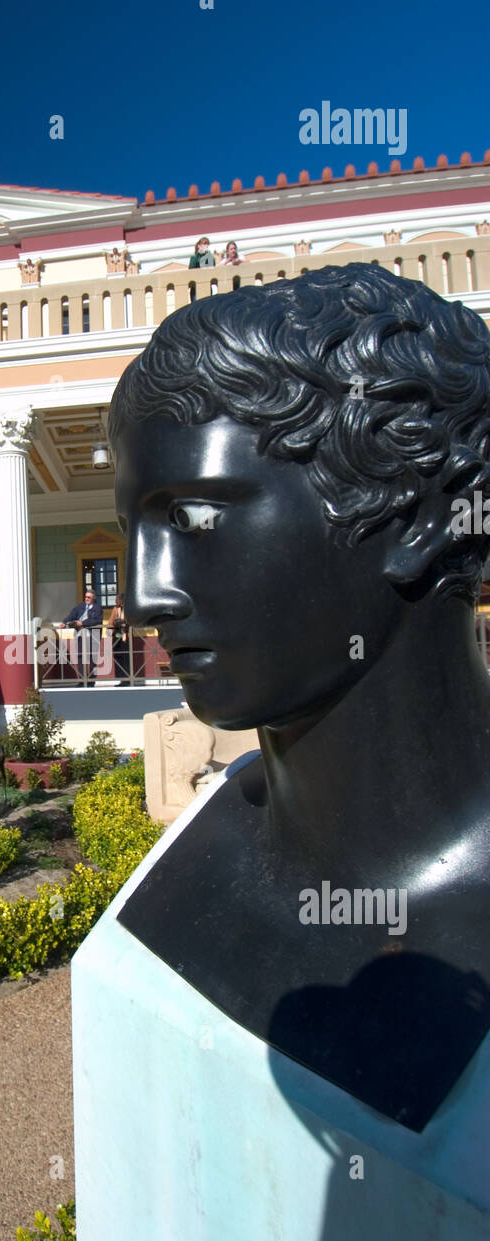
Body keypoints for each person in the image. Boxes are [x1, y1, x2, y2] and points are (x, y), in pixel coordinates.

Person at [108, 259, 490, 1126]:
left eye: (194, 520)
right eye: (135, 530)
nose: (141, 598)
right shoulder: (194, 865)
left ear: (419, 522)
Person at [61, 587, 103, 686]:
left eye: (89, 597)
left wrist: (82, 623)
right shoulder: (80, 606)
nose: (87, 599)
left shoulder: (98, 608)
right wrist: (64, 622)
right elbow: (71, 615)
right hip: (81, 634)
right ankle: (82, 679)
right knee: (80, 656)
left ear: (93, 599)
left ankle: (91, 681)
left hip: (93, 634)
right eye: (86, 597)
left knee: (93, 659)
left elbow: (96, 620)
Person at [109, 592, 131, 684]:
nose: (115, 601)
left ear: (121, 600)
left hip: (125, 636)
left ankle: (128, 679)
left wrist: (123, 622)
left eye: (117, 599)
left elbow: (130, 621)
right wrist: (114, 623)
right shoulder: (115, 609)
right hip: (117, 635)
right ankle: (121, 679)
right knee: (118, 656)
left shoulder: (128, 609)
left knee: (126, 658)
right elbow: (110, 621)